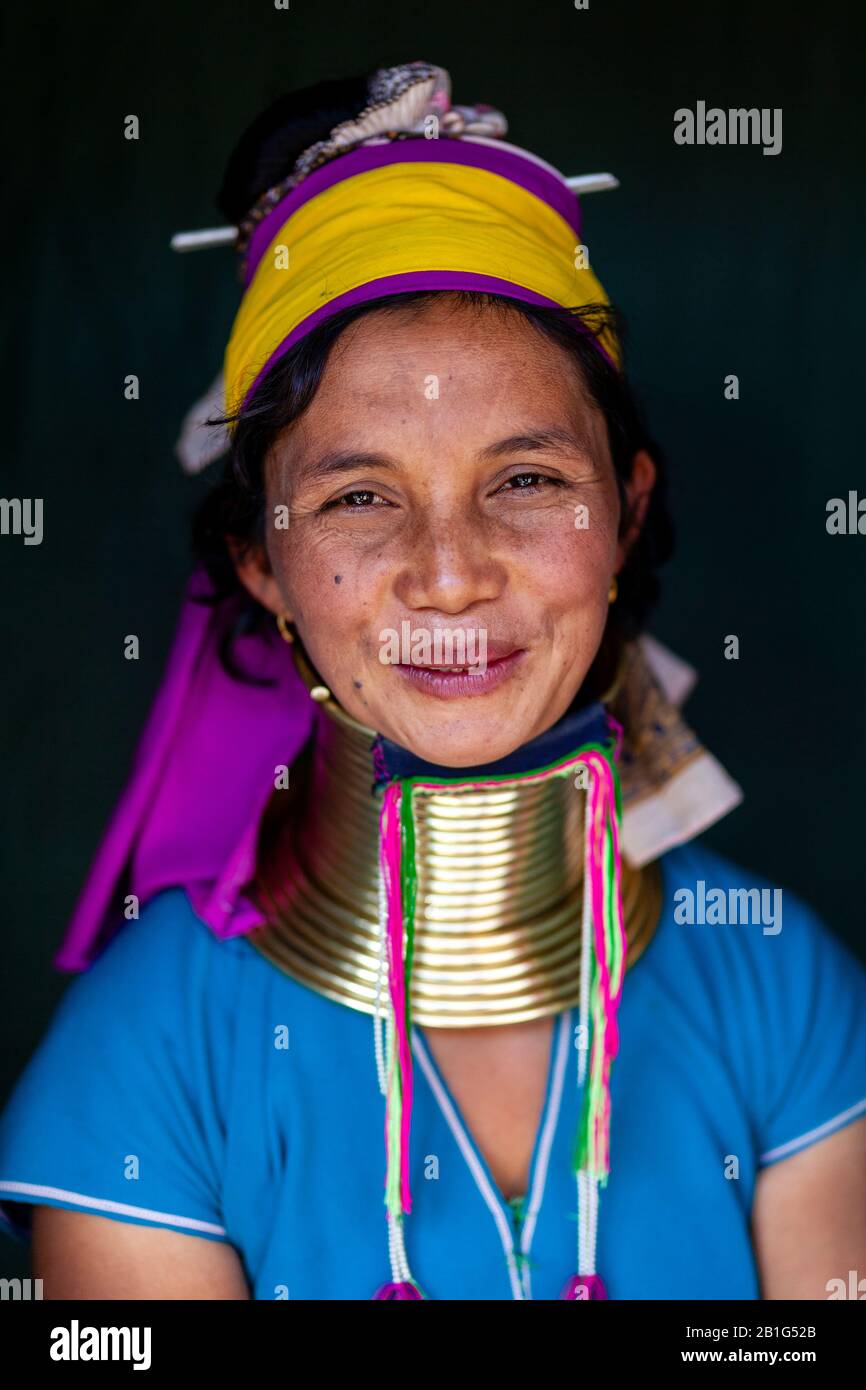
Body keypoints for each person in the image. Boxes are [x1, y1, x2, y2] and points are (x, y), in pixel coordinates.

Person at [1, 60, 864, 1301]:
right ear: (261, 563)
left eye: (524, 481)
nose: (448, 575)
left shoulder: (775, 984)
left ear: (623, 513)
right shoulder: (146, 1060)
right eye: (358, 498)